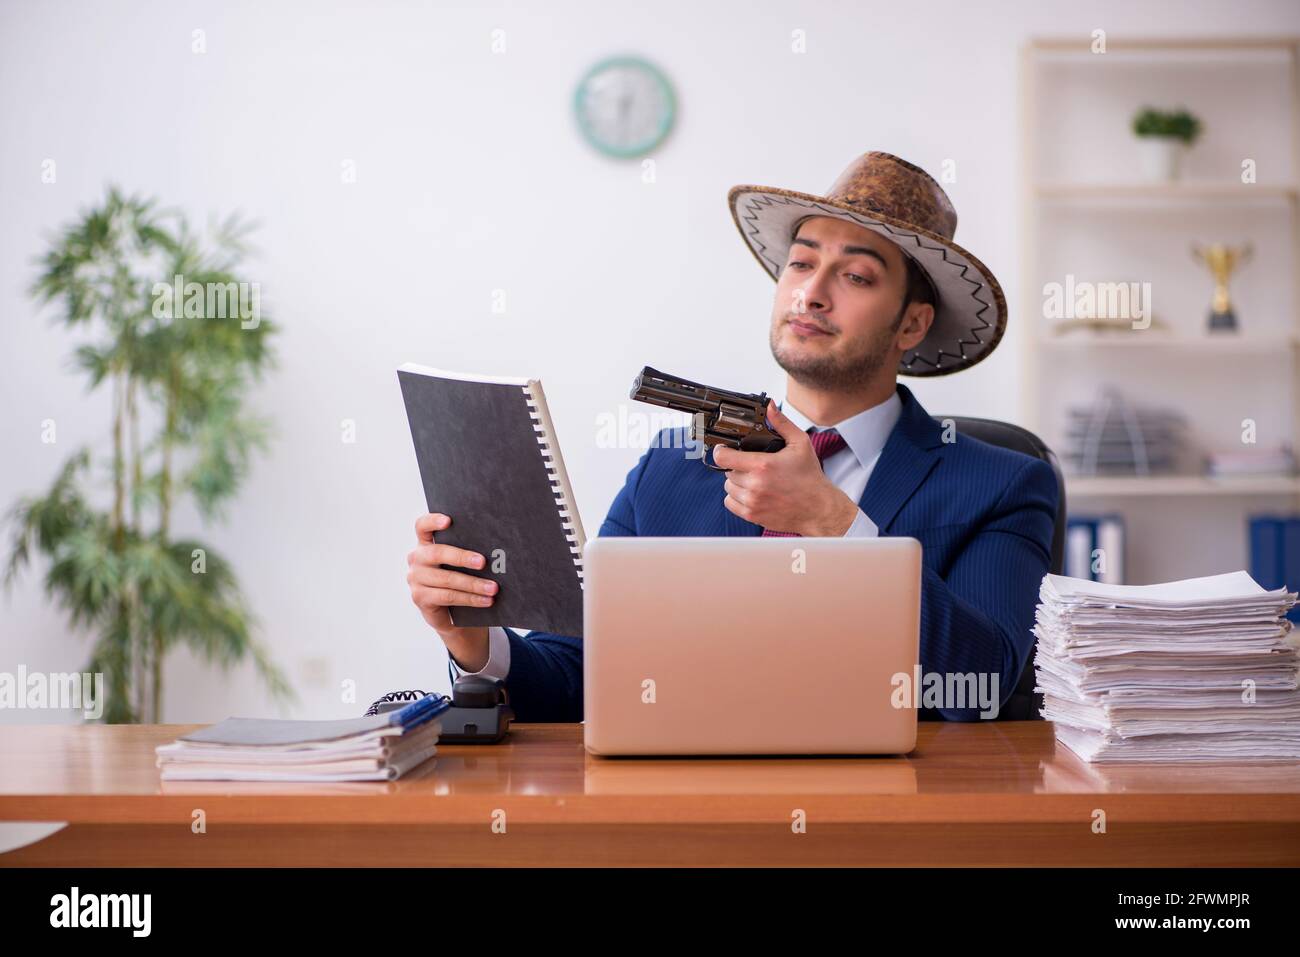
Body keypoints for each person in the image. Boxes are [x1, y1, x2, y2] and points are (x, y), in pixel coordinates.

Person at [406, 151, 1058, 722]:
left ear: (912, 325)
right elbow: (582, 673)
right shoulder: (672, 468)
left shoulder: (1002, 484)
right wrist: (477, 642)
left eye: (856, 276)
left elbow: (983, 688)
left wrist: (836, 523)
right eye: (801, 265)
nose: (812, 293)